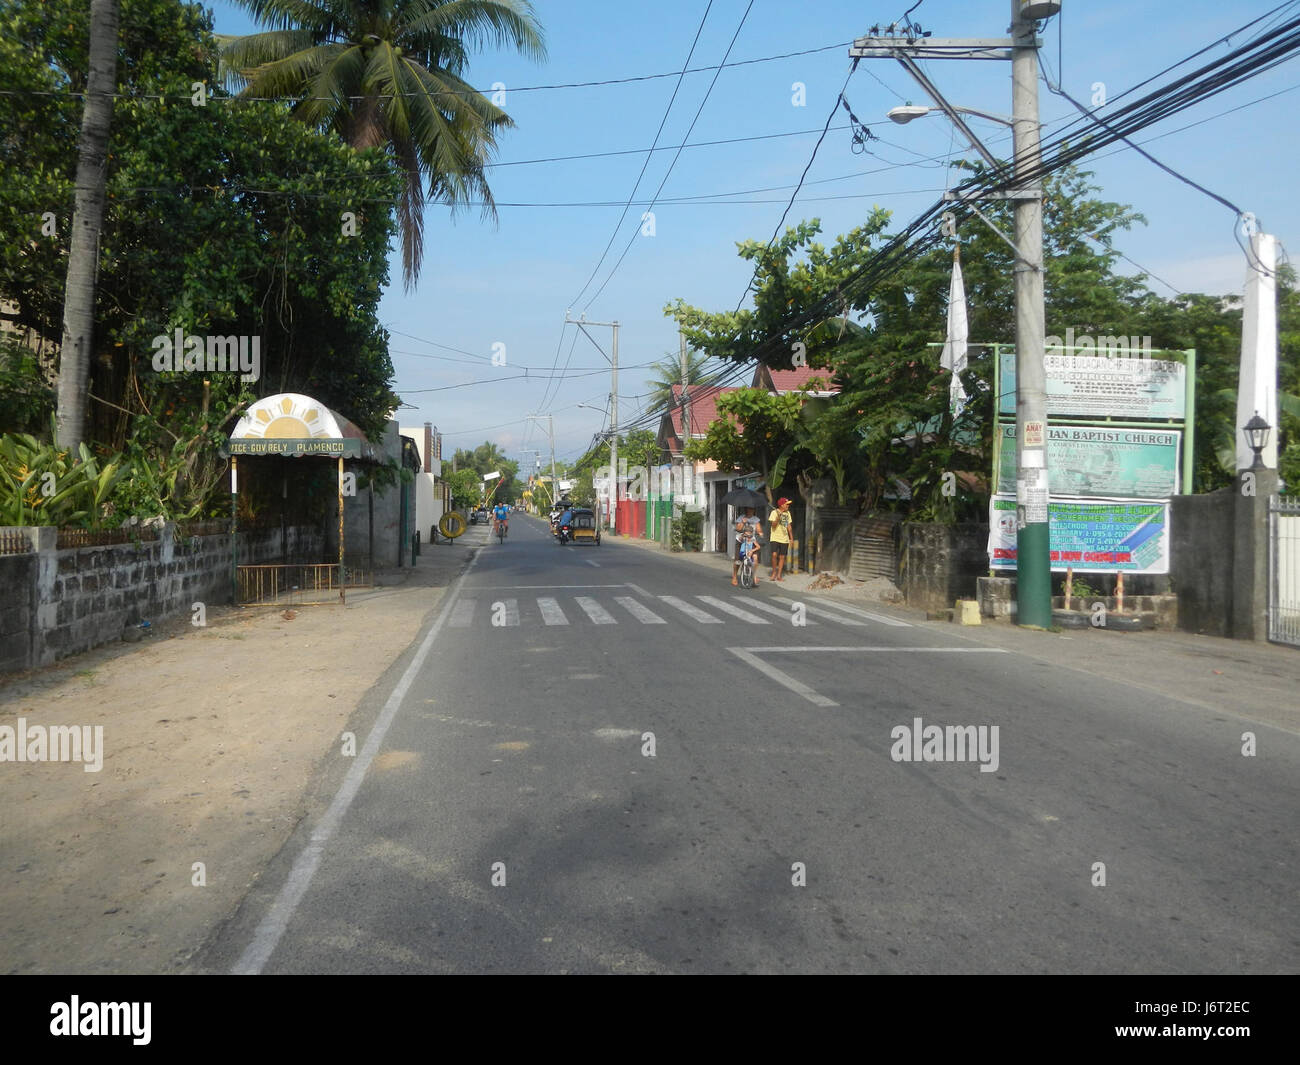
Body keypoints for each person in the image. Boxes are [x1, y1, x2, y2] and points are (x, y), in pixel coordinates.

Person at [731, 506, 763, 586]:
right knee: (738, 560)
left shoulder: (756, 519)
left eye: (752, 509)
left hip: (751, 541)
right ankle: (734, 576)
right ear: (746, 509)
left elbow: (759, 529)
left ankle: (754, 575)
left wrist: (760, 532)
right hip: (741, 540)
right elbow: (738, 528)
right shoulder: (741, 517)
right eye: (749, 509)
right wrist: (743, 522)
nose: (750, 510)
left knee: (755, 558)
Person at [767, 497, 792, 582]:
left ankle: (779, 575)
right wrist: (778, 516)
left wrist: (791, 538)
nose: (788, 505)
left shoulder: (788, 513)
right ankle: (774, 572)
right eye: (786, 504)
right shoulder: (774, 512)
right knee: (774, 555)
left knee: (782, 557)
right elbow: (773, 525)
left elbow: (789, 526)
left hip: (784, 538)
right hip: (775, 537)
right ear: (782, 505)